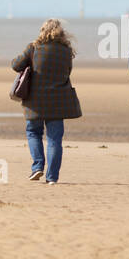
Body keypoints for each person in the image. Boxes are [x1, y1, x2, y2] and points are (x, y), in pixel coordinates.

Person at [10, 18, 82, 184]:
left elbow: (15, 65)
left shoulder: (33, 48)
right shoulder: (66, 50)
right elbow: (68, 71)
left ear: (42, 31)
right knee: (54, 139)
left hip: (35, 101)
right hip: (58, 100)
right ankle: (52, 177)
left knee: (33, 132)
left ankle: (37, 167)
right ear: (61, 33)